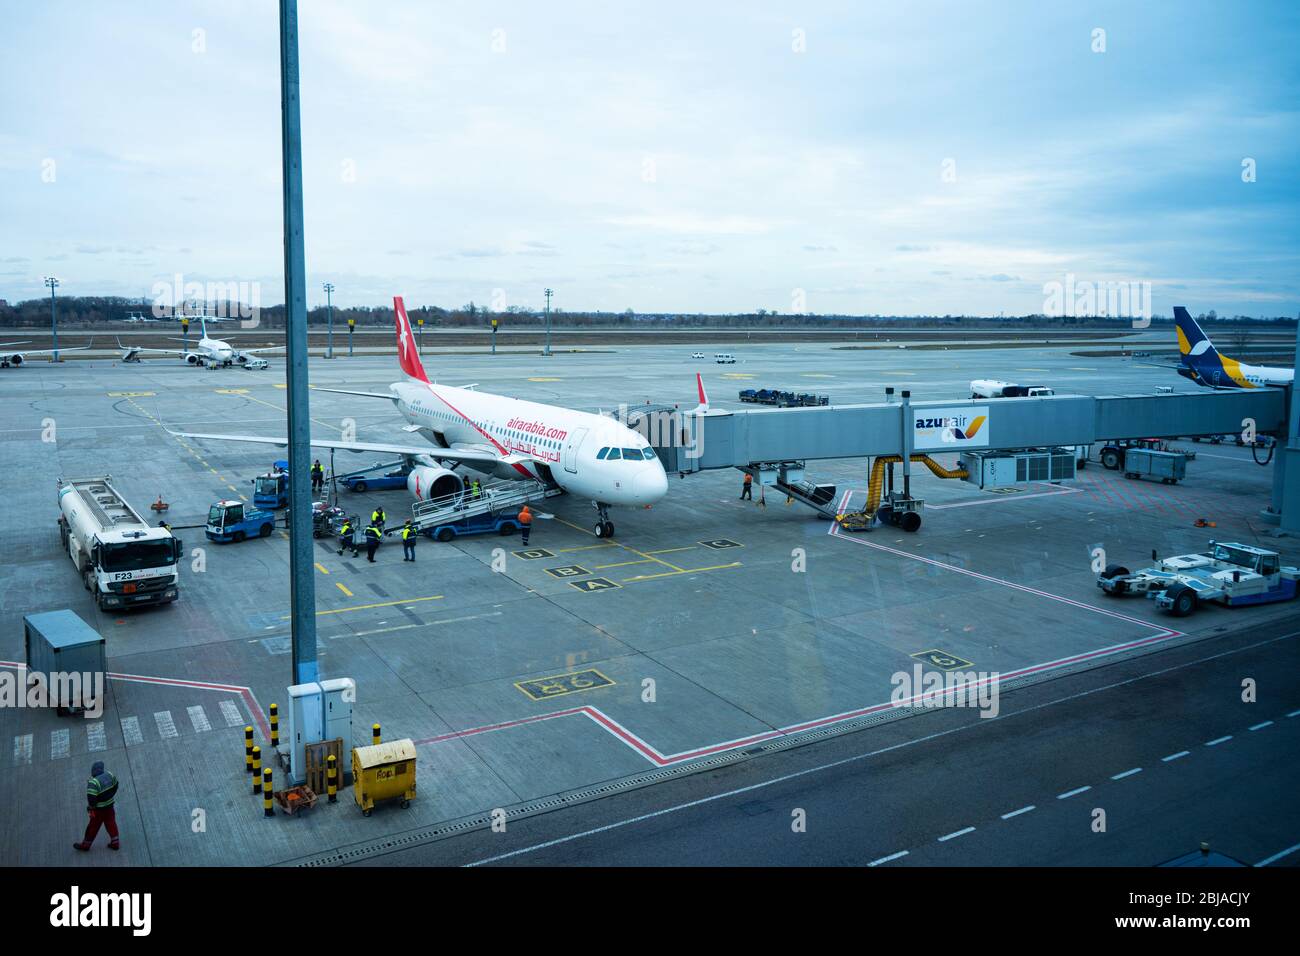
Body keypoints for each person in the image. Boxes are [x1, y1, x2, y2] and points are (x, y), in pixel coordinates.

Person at [74, 760, 120, 852]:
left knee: (92, 827)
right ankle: (115, 843)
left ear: (93, 771)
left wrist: (91, 808)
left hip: (98, 810)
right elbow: (116, 786)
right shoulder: (110, 775)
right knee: (111, 823)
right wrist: (109, 797)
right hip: (110, 806)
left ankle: (85, 845)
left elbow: (92, 799)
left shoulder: (93, 783)